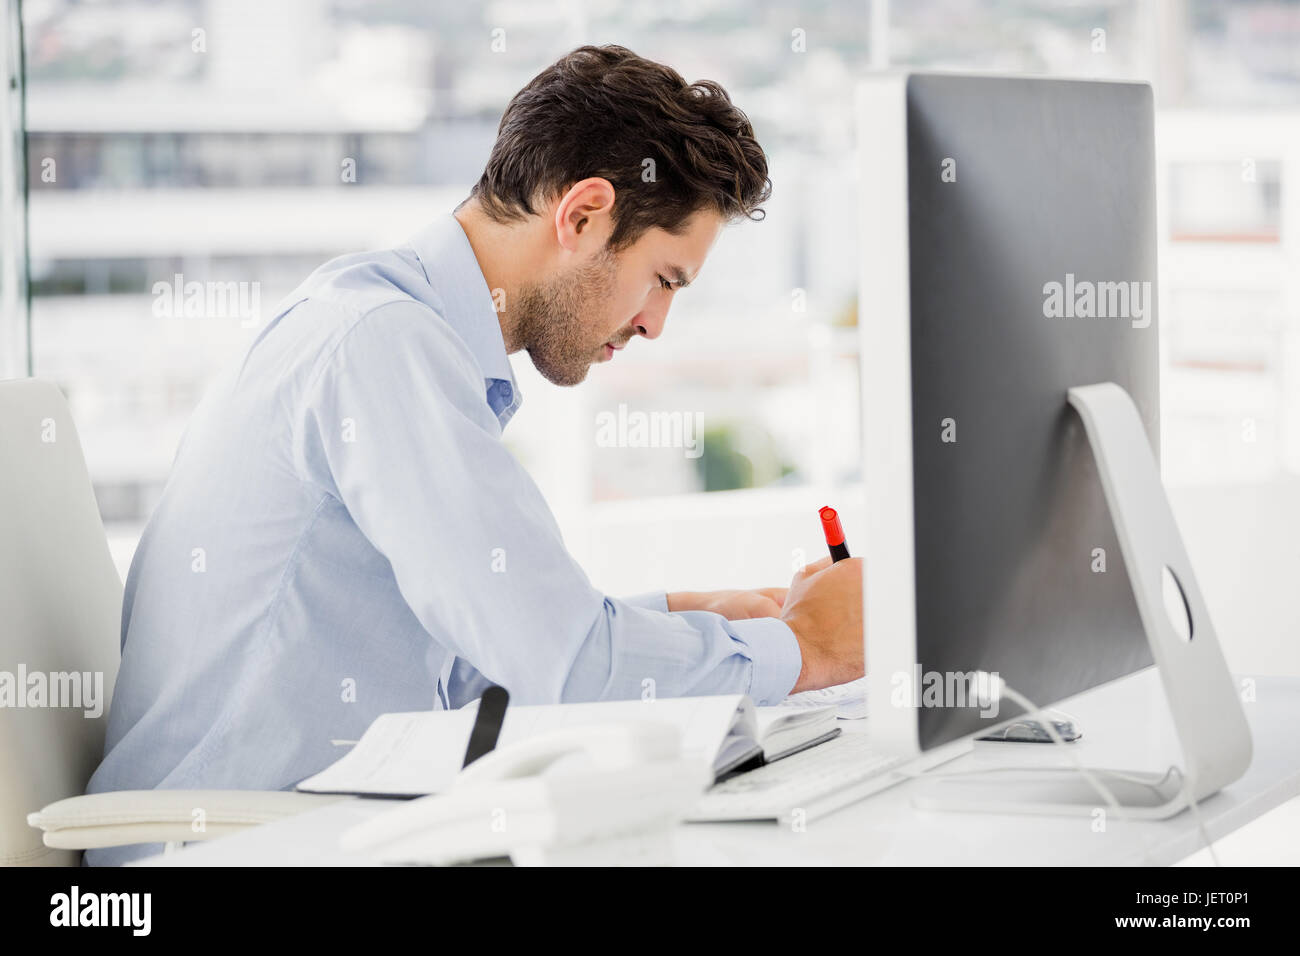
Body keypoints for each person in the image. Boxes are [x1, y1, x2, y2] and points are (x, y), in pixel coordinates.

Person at [84, 44, 863, 865]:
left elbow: (461, 675)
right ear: (585, 214)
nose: (654, 324)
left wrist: (682, 616)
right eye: (664, 279)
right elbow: (562, 668)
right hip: (212, 855)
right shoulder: (382, 347)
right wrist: (809, 648)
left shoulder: (396, 330)